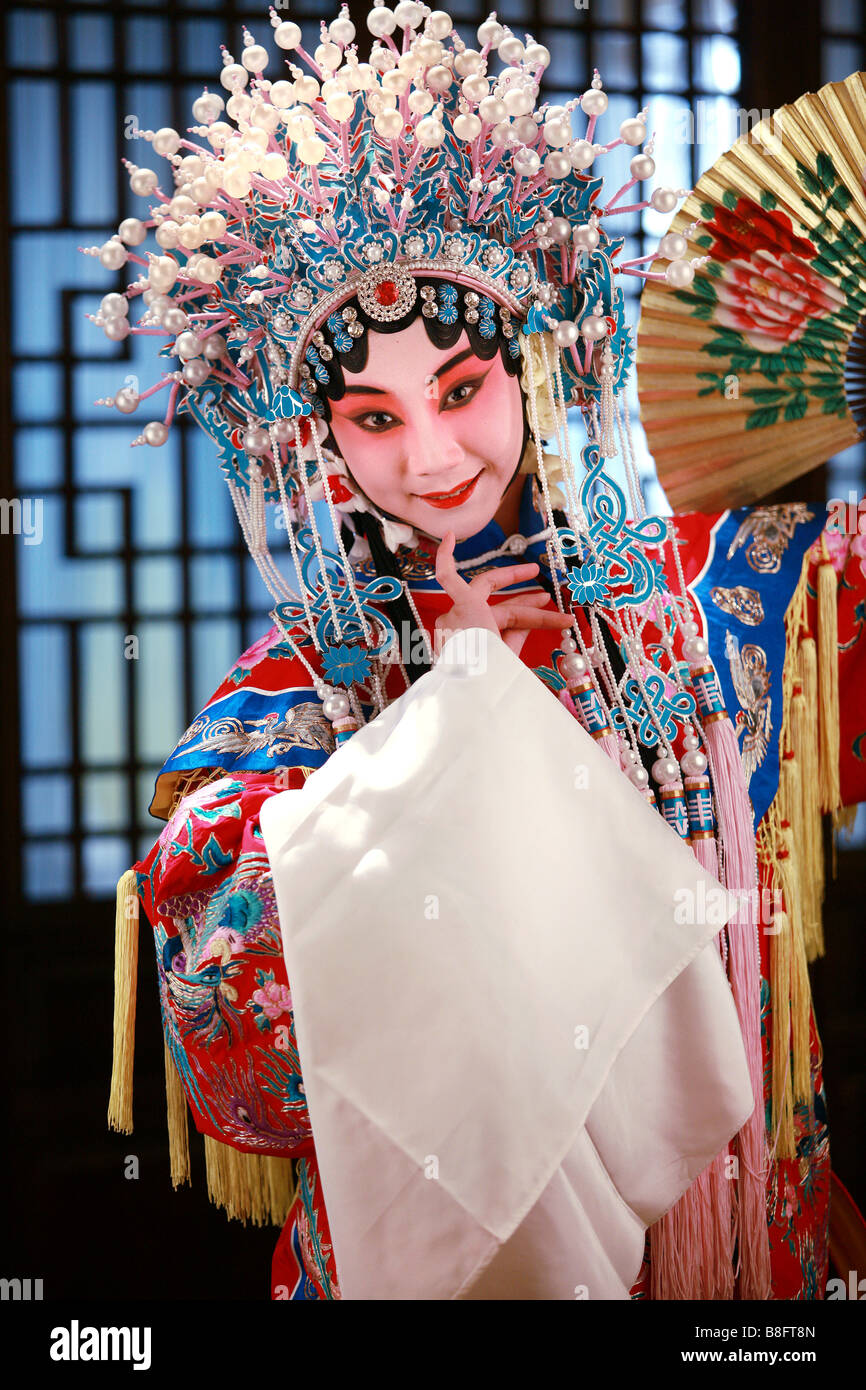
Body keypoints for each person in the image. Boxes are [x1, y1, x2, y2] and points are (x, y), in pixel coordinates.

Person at [95, 4, 866, 1300]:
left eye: (461, 390)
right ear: (312, 438)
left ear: (534, 363)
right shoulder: (307, 684)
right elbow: (228, 1024)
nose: (434, 457)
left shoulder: (725, 588)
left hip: (735, 1250)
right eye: (373, 418)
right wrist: (429, 736)